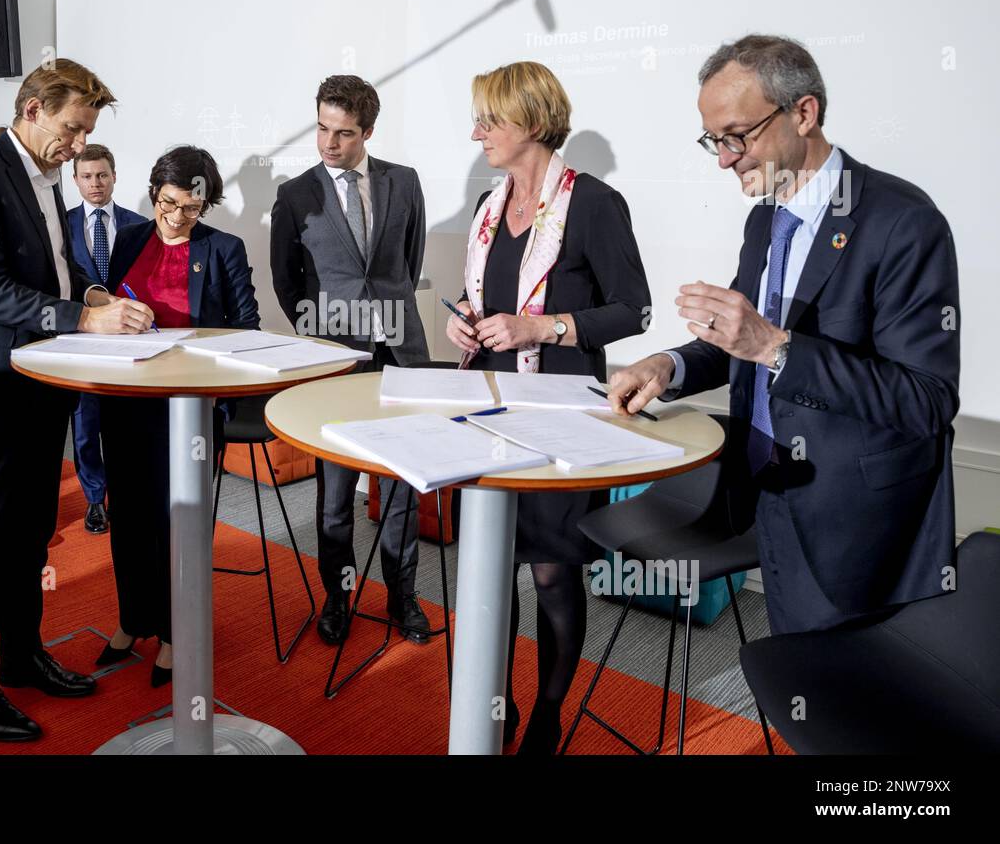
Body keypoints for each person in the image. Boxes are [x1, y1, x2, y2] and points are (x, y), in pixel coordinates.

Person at [607, 34, 960, 637]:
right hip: (764, 493)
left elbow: (925, 402)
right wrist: (669, 365)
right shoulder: (764, 216)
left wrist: (777, 347)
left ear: (804, 113)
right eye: (712, 140)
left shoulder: (904, 221)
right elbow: (743, 340)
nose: (723, 158)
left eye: (736, 136)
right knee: (799, 685)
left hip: (856, 523)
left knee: (852, 714)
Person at [0, 59, 152, 742]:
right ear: (30, 109)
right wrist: (84, 320)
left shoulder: (42, 172)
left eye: (86, 133)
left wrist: (95, 295)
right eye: (71, 129)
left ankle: (21, 655)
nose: (79, 146)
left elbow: (56, 263)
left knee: (29, 532)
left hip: (37, 376)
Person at [445, 60, 651, 754]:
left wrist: (545, 326)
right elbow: (483, 300)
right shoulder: (486, 208)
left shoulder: (593, 203)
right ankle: (492, 704)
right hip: (488, 409)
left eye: (488, 121)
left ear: (531, 122)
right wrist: (465, 321)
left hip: (564, 417)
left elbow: (633, 309)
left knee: (552, 572)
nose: (476, 133)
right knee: (489, 564)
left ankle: (549, 712)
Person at [270, 75, 432, 647]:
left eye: (342, 133)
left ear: (368, 131)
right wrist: (320, 338)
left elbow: (407, 268)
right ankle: (337, 599)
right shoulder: (296, 195)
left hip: (401, 354)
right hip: (335, 360)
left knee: (399, 491)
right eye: (321, 129)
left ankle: (401, 596)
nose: (328, 143)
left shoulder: (403, 181)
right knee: (335, 496)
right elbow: (287, 282)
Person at [94, 145, 259, 687]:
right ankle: (132, 619)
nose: (176, 216)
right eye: (168, 203)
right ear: (153, 195)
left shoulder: (223, 249)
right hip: (126, 400)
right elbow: (104, 308)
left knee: (178, 522)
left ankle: (175, 630)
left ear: (205, 203)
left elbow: (248, 330)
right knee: (131, 516)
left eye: (190, 207)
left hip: (188, 408)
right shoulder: (129, 238)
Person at [65, 143, 147, 534]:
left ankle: (128, 494)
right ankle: (95, 499)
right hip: (80, 339)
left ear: (114, 176)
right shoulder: (60, 226)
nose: (95, 183)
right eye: (86, 176)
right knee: (85, 424)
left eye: (102, 175)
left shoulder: (138, 225)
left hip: (130, 341)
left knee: (126, 424)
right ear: (75, 180)